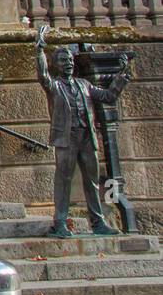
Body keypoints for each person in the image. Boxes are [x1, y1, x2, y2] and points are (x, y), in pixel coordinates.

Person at [34, 24, 130, 238]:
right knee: (63, 181)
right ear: (55, 65)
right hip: (66, 138)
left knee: (92, 180)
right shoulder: (54, 86)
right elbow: (42, 75)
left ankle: (98, 222)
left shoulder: (84, 85)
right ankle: (59, 222)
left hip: (87, 137)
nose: (67, 63)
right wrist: (39, 49)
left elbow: (108, 97)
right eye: (63, 61)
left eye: (69, 60)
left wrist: (121, 77)